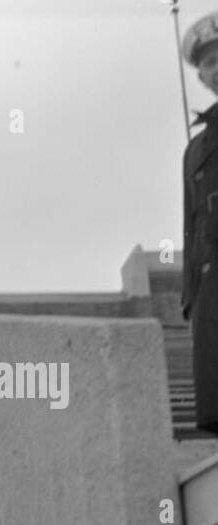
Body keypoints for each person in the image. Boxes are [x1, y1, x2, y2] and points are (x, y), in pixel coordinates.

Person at [183, 14, 218, 434]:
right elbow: (192, 224)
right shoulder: (197, 148)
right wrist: (191, 296)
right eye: (208, 63)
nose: (216, 68)